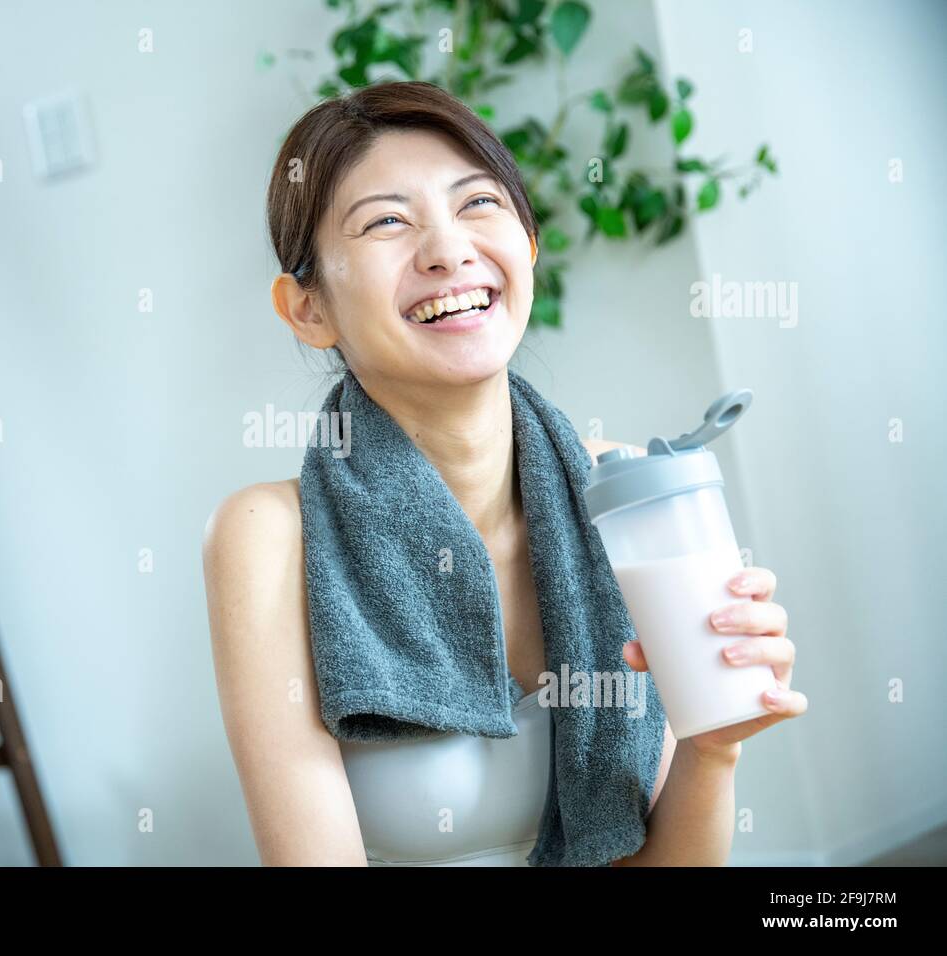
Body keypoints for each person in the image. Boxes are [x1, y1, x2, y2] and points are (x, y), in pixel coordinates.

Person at [202, 80, 805, 866]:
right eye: (387, 220)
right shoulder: (266, 537)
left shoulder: (615, 495)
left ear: (528, 247)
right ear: (307, 309)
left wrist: (714, 746)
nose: (449, 250)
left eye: (478, 204)